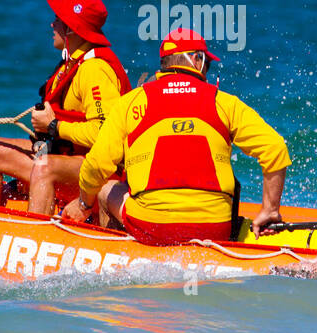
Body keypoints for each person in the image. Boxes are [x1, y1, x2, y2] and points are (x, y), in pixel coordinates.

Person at [62, 28, 290, 245]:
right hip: (216, 228)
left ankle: (117, 253)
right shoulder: (224, 102)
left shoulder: (131, 102)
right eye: (207, 64)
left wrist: (83, 204)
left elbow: (96, 166)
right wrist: (270, 209)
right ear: (196, 60)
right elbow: (275, 148)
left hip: (152, 228)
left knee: (105, 189)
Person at [0, 0, 130, 215]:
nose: (52, 24)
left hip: (97, 172)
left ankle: (36, 238)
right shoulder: (72, 63)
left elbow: (104, 133)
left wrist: (54, 127)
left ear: (72, 29)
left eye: (58, 19)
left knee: (43, 167)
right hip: (66, 157)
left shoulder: (95, 70)